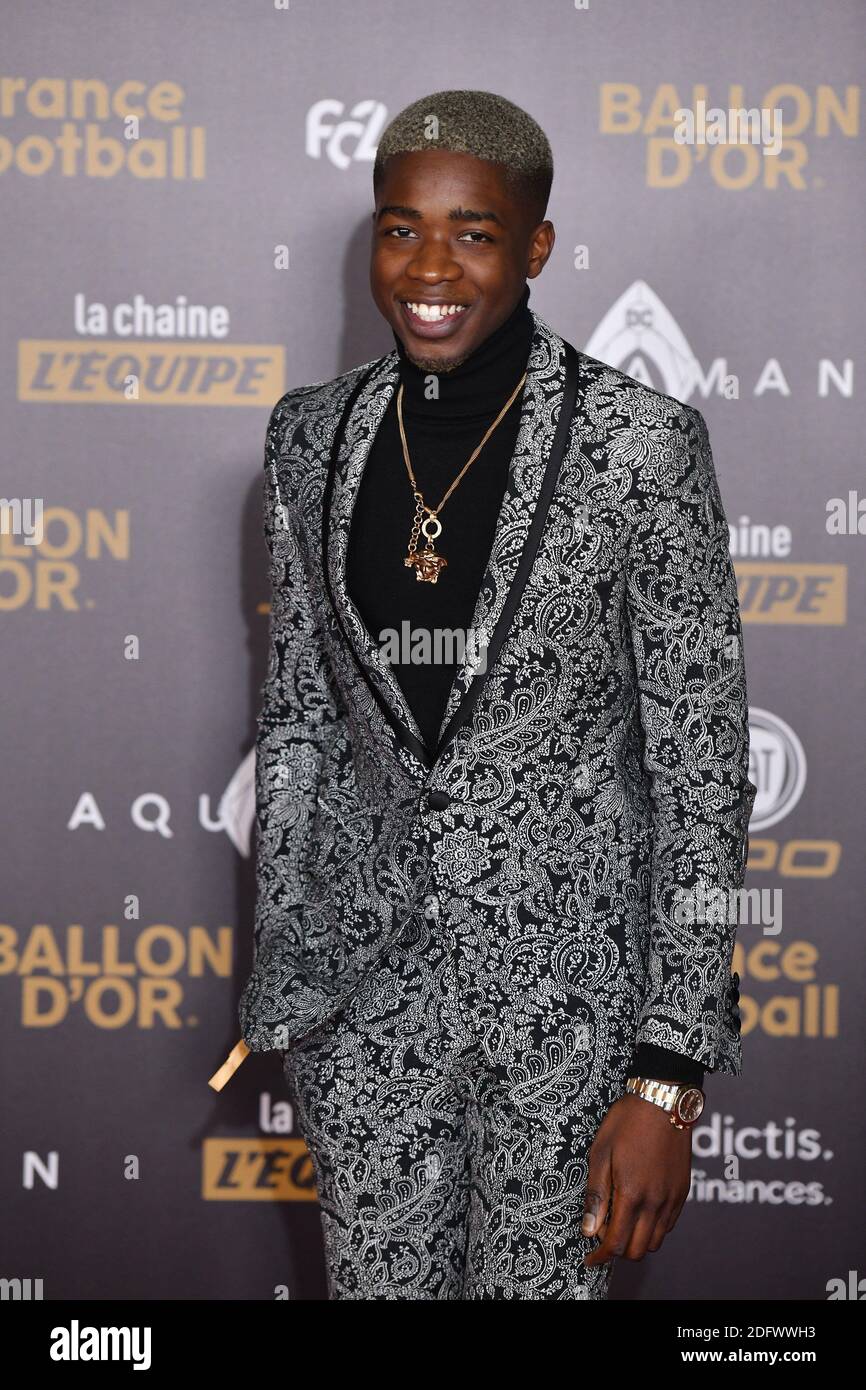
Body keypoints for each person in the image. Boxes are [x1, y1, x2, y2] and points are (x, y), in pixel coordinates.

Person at [224, 90, 756, 1299]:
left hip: (569, 1021)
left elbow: (700, 763)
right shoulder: (308, 437)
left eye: (470, 232)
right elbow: (301, 713)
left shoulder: (637, 444)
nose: (427, 267)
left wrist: (666, 1072)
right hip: (364, 1013)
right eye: (399, 227)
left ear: (533, 246)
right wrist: (292, 963)